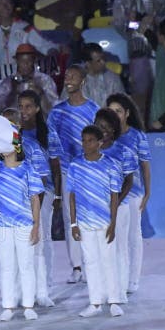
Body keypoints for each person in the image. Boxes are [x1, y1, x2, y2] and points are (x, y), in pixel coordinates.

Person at [46, 65, 99, 283]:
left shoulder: (94, 109)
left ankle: (92, 264)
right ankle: (76, 266)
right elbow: (52, 146)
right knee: (71, 218)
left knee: (90, 216)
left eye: (73, 77)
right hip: (68, 171)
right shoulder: (57, 113)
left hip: (90, 171)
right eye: (66, 77)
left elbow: (100, 141)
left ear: (83, 81)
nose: (68, 80)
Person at [67, 125, 124, 318]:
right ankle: (95, 302)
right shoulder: (75, 165)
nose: (86, 144)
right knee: (90, 262)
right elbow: (72, 196)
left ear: (100, 142)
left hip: (105, 221)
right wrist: (73, 224)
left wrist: (113, 224)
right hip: (84, 222)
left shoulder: (110, 164)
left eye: (90, 140)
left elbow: (114, 196)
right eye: (83, 140)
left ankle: (114, 301)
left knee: (108, 260)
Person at [0, 144, 43, 322]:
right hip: (2, 226)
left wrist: (35, 226)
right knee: (7, 267)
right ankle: (8, 306)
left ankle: (28, 306)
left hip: (24, 225)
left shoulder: (28, 170)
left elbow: (35, 200)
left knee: (26, 265)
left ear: (16, 146)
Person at [17, 90, 58, 303]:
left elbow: (55, 166)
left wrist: (58, 195)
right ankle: (24, 287)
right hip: (19, 193)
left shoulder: (47, 133)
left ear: (37, 108)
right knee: (23, 241)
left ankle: (45, 285)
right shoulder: (15, 135)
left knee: (41, 237)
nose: (24, 111)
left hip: (44, 192)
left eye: (28, 107)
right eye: (21, 107)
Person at [107, 93, 150, 293]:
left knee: (134, 235)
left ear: (127, 113)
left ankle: (133, 280)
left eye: (118, 111)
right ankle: (117, 278)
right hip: (111, 195)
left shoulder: (137, 136)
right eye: (111, 111)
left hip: (134, 193)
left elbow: (145, 166)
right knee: (116, 238)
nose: (114, 115)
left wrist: (148, 192)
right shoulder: (106, 136)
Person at [93, 109, 137, 302]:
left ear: (113, 129)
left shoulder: (123, 152)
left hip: (120, 207)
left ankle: (120, 291)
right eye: (97, 126)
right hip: (96, 208)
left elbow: (129, 180)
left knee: (119, 248)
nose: (100, 130)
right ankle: (103, 291)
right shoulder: (90, 152)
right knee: (99, 250)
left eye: (104, 127)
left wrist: (116, 201)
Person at [0, 43, 58, 115]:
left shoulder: (45, 80)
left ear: (34, 60)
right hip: (16, 125)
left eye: (29, 60)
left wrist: (41, 94)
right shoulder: (7, 83)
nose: (25, 64)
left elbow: (55, 111)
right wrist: (13, 92)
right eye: (22, 61)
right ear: (17, 61)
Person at [79, 43, 125, 108]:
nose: (103, 62)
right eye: (98, 61)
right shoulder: (77, 81)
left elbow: (122, 102)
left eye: (103, 58)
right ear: (88, 64)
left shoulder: (113, 78)